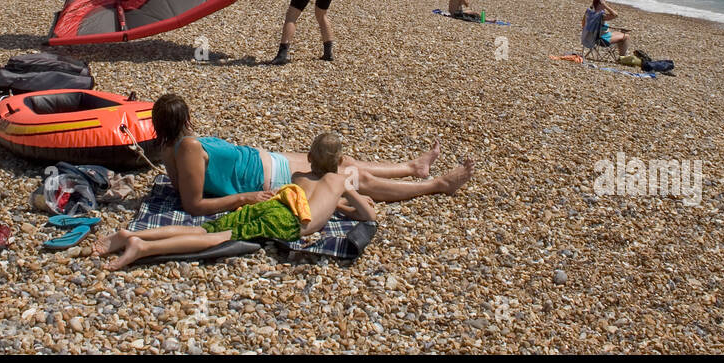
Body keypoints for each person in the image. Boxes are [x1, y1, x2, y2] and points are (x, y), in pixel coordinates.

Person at [93, 132, 378, 270]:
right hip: (284, 223)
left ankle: (132, 234)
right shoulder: (340, 181)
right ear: (339, 161)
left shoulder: (302, 173)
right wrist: (351, 199)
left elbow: (301, 197)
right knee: (218, 238)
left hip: (271, 206)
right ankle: (141, 248)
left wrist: (335, 205)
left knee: (207, 228)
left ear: (311, 157)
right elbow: (367, 216)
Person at [152, 93, 474, 215]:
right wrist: (243, 199)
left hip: (266, 161)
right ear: (184, 118)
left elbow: (184, 186)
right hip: (269, 177)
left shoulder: (171, 147)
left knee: (344, 162)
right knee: (354, 178)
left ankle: (411, 166)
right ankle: (437, 185)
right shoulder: (188, 148)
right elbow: (192, 204)